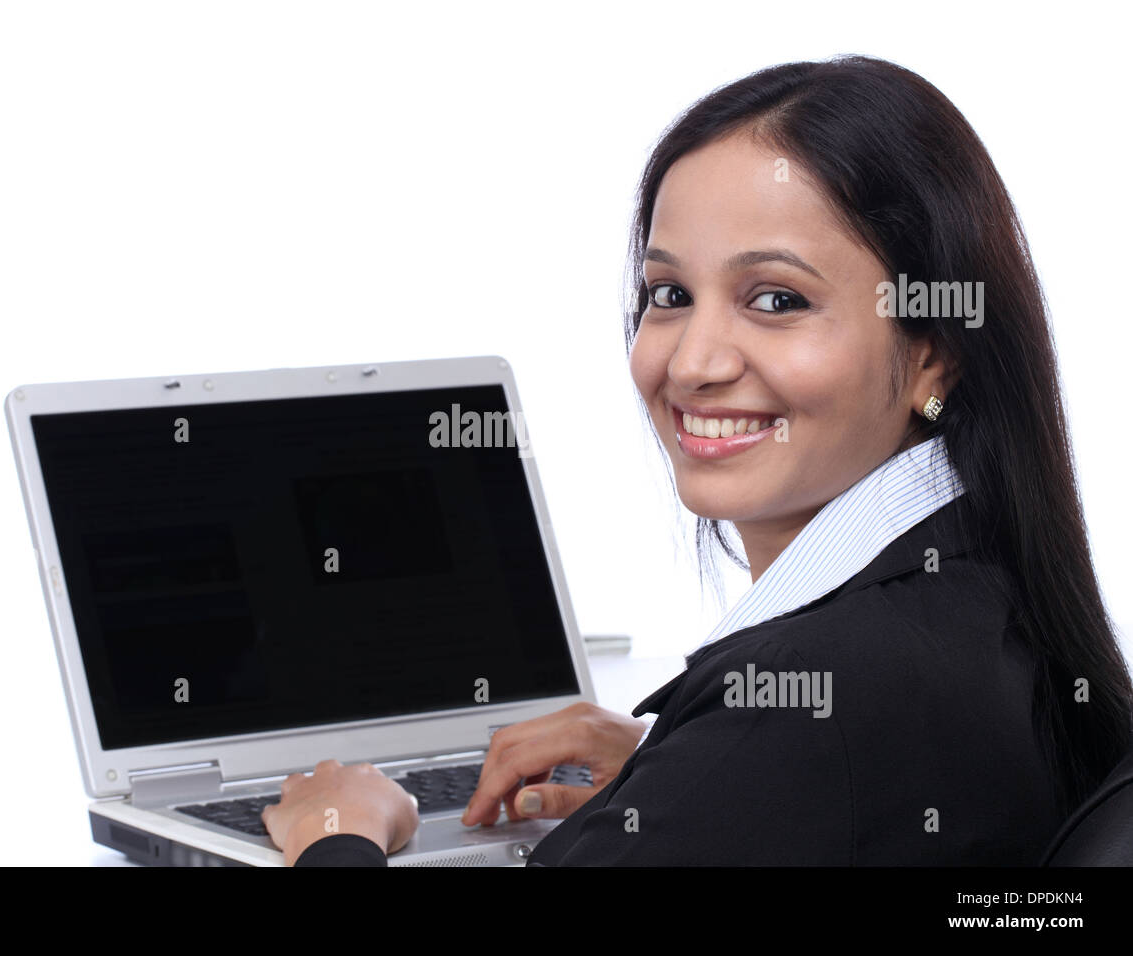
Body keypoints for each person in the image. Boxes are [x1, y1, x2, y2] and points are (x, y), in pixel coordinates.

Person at [263, 54, 1133, 866]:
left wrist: (332, 836)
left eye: (778, 299)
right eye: (670, 294)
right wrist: (672, 773)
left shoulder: (823, 702)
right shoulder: (978, 591)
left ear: (934, 353)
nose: (691, 362)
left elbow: (824, 760)